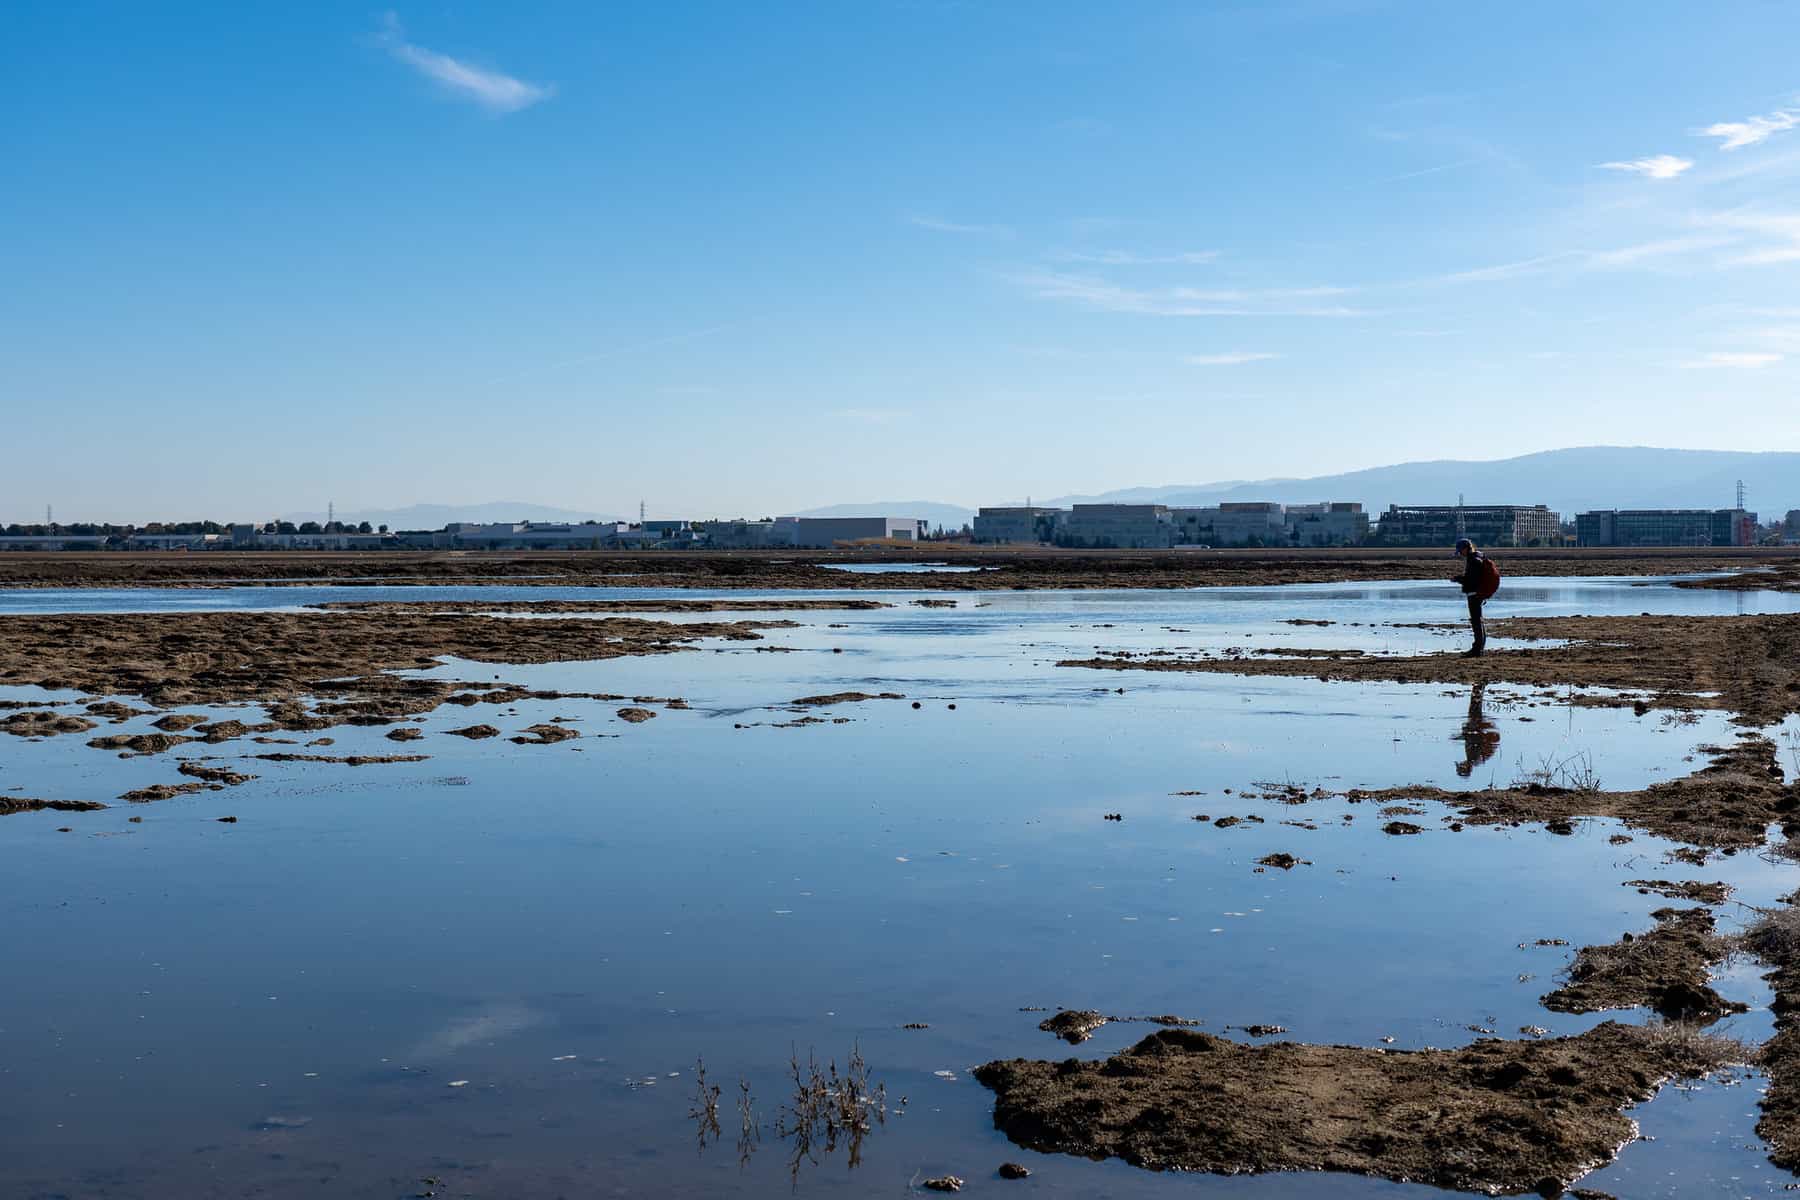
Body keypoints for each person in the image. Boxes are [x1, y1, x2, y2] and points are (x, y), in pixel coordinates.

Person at [1452, 537, 1500, 656]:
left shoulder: (1473, 560)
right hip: (1477, 593)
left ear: (1466, 548)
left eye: (1460, 551)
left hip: (1474, 594)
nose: (1460, 554)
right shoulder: (1477, 557)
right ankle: (1478, 648)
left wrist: (1459, 579)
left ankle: (1477, 649)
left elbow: (1472, 581)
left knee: (1476, 622)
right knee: (1478, 621)